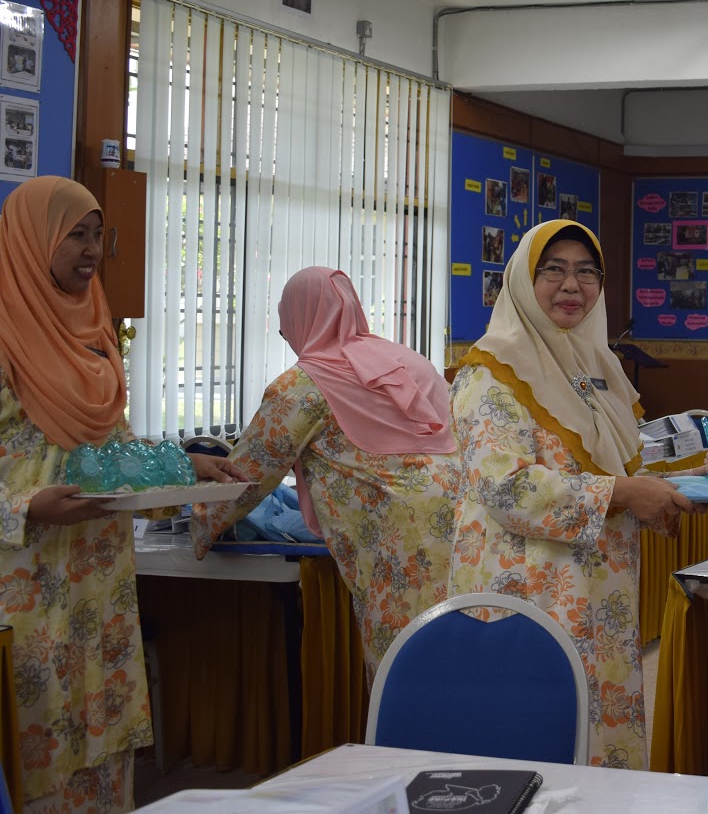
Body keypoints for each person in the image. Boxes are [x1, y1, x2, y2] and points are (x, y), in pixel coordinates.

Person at [0, 176, 241, 813]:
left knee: (102, 749)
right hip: (25, 584)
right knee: (38, 748)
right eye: (74, 234)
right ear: (32, 240)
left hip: (98, 579)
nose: (90, 249)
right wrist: (26, 507)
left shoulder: (94, 332)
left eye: (97, 234)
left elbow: (115, 453)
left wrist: (183, 465)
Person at [449, 220, 694, 769]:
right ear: (521, 280)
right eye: (553, 270)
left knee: (596, 730)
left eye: (587, 272)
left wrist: (681, 480)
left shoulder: (591, 363)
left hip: (596, 588)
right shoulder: (493, 372)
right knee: (534, 744)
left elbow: (612, 457)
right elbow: (507, 488)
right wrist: (627, 493)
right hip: (529, 590)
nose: (571, 285)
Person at [189, 266, 460, 674]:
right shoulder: (409, 361)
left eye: (287, 331)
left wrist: (201, 525)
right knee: (466, 670)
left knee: (408, 681)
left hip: (400, 550)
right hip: (467, 535)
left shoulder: (301, 387)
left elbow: (244, 476)